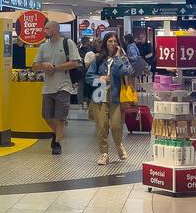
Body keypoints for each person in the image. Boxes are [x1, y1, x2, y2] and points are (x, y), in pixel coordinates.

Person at [32, 19, 79, 155]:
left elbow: (75, 63)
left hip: (64, 85)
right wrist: (43, 66)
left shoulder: (67, 43)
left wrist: (56, 67)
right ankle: (56, 134)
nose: (44, 31)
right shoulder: (43, 47)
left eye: (46, 28)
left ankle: (57, 143)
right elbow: (34, 66)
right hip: (48, 87)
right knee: (46, 116)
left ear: (55, 30)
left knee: (60, 117)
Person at [85, 33, 133, 165]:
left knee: (116, 125)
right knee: (101, 126)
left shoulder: (122, 59)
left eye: (115, 41)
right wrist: (98, 79)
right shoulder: (98, 59)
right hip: (99, 96)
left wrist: (118, 58)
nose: (112, 44)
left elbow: (128, 71)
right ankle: (104, 153)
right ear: (105, 43)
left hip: (115, 97)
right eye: (110, 41)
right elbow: (88, 76)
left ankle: (118, 145)